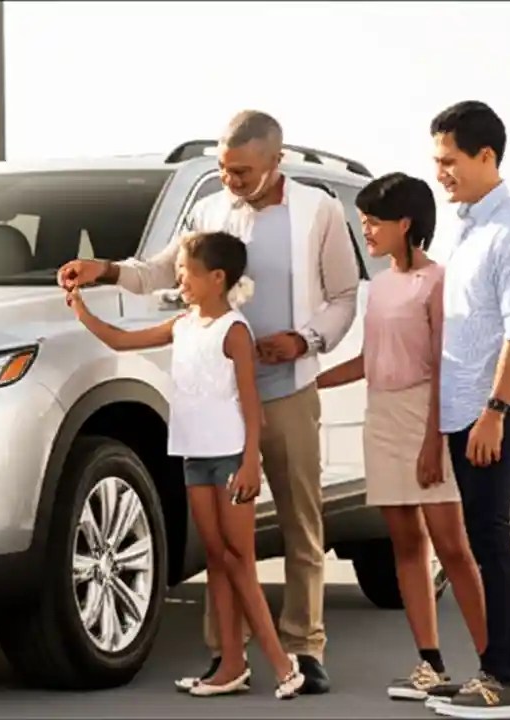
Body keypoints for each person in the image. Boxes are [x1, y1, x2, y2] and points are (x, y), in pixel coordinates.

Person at [57, 110, 360, 694]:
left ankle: (304, 646)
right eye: (223, 168)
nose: (231, 179)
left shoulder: (319, 211)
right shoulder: (208, 211)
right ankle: (227, 652)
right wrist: (105, 272)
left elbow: (345, 297)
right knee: (221, 542)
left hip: (289, 389)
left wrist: (305, 340)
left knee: (301, 526)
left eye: (242, 170)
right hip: (217, 411)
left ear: (277, 160)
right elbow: (160, 273)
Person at [67, 230, 306, 700]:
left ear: (217, 278)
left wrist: (251, 462)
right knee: (217, 560)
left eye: (186, 271)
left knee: (239, 562)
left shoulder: (234, 330)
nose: (179, 277)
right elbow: (120, 341)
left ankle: (282, 665)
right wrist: (80, 310)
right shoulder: (183, 324)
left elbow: (250, 401)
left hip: (231, 458)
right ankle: (230, 666)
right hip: (193, 456)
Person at [314, 171, 488, 702]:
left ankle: (496, 664)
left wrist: (435, 441)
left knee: (452, 547)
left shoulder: (438, 281)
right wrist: (312, 381)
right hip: (382, 418)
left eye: (372, 221)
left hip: (426, 416)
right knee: (406, 545)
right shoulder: (381, 285)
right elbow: (370, 360)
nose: (364, 229)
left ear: (405, 223)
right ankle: (430, 665)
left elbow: (443, 366)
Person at [418, 101, 510, 719]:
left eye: (449, 161)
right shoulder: (470, 227)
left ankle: (508, 678)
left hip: (491, 410)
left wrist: (495, 410)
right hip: (465, 409)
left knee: (491, 537)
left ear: (485, 156)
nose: (440, 172)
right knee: (481, 537)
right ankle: (496, 669)